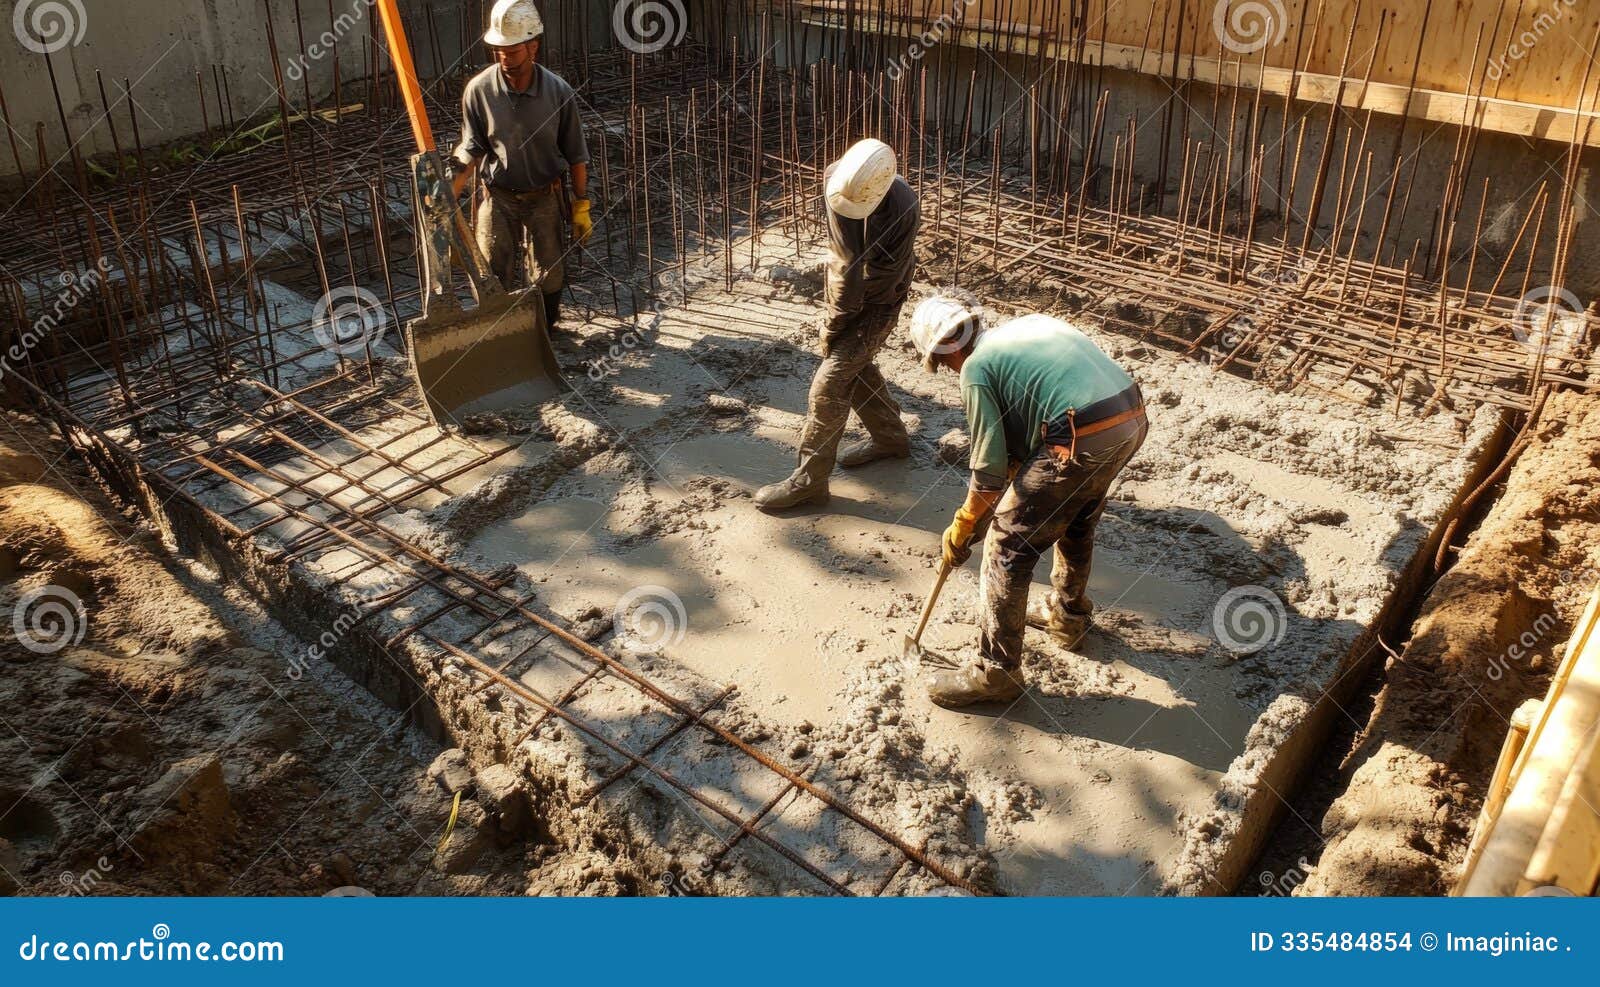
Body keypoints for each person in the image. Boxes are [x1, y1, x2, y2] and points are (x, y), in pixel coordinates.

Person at [908, 292, 1148, 708]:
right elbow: (1023, 445)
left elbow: (988, 474)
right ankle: (1067, 616)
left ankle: (995, 673)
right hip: (1129, 418)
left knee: (1007, 546)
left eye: (944, 362)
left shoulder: (977, 369)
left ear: (947, 351)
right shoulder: (1027, 327)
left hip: (1078, 435)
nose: (949, 369)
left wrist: (966, 523)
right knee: (1075, 516)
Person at [754, 138, 921, 511]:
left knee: (828, 383)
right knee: (850, 366)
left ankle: (810, 481)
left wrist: (836, 329)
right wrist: (836, 320)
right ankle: (890, 438)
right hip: (849, 290)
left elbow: (881, 277)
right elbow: (845, 265)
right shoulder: (841, 184)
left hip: (885, 297)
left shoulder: (903, 205)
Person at [450, 0, 590, 330]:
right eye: (498, 51)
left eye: (512, 51)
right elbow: (471, 147)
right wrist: (449, 193)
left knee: (549, 271)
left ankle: (545, 331)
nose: (504, 58)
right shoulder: (479, 90)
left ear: (533, 46)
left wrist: (581, 204)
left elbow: (576, 155)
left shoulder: (558, 92)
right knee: (490, 266)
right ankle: (499, 334)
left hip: (544, 194)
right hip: (499, 194)